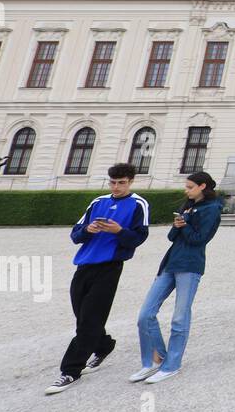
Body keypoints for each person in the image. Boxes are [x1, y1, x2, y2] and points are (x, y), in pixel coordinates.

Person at [46, 163, 151, 394]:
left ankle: (70, 371)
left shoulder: (139, 204)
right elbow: (75, 235)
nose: (116, 187)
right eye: (113, 182)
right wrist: (88, 230)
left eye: (121, 183)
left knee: (89, 320)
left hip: (110, 267)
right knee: (83, 317)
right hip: (83, 265)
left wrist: (118, 231)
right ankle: (104, 345)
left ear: (130, 182)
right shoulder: (97, 202)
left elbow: (139, 238)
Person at [132, 171, 222, 384]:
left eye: (190, 187)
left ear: (202, 186)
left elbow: (200, 239)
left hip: (190, 265)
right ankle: (155, 359)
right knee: (145, 314)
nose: (186, 190)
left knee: (180, 318)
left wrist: (186, 225)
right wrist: (178, 225)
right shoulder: (187, 205)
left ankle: (172, 364)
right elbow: (172, 236)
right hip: (171, 262)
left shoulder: (212, 209)